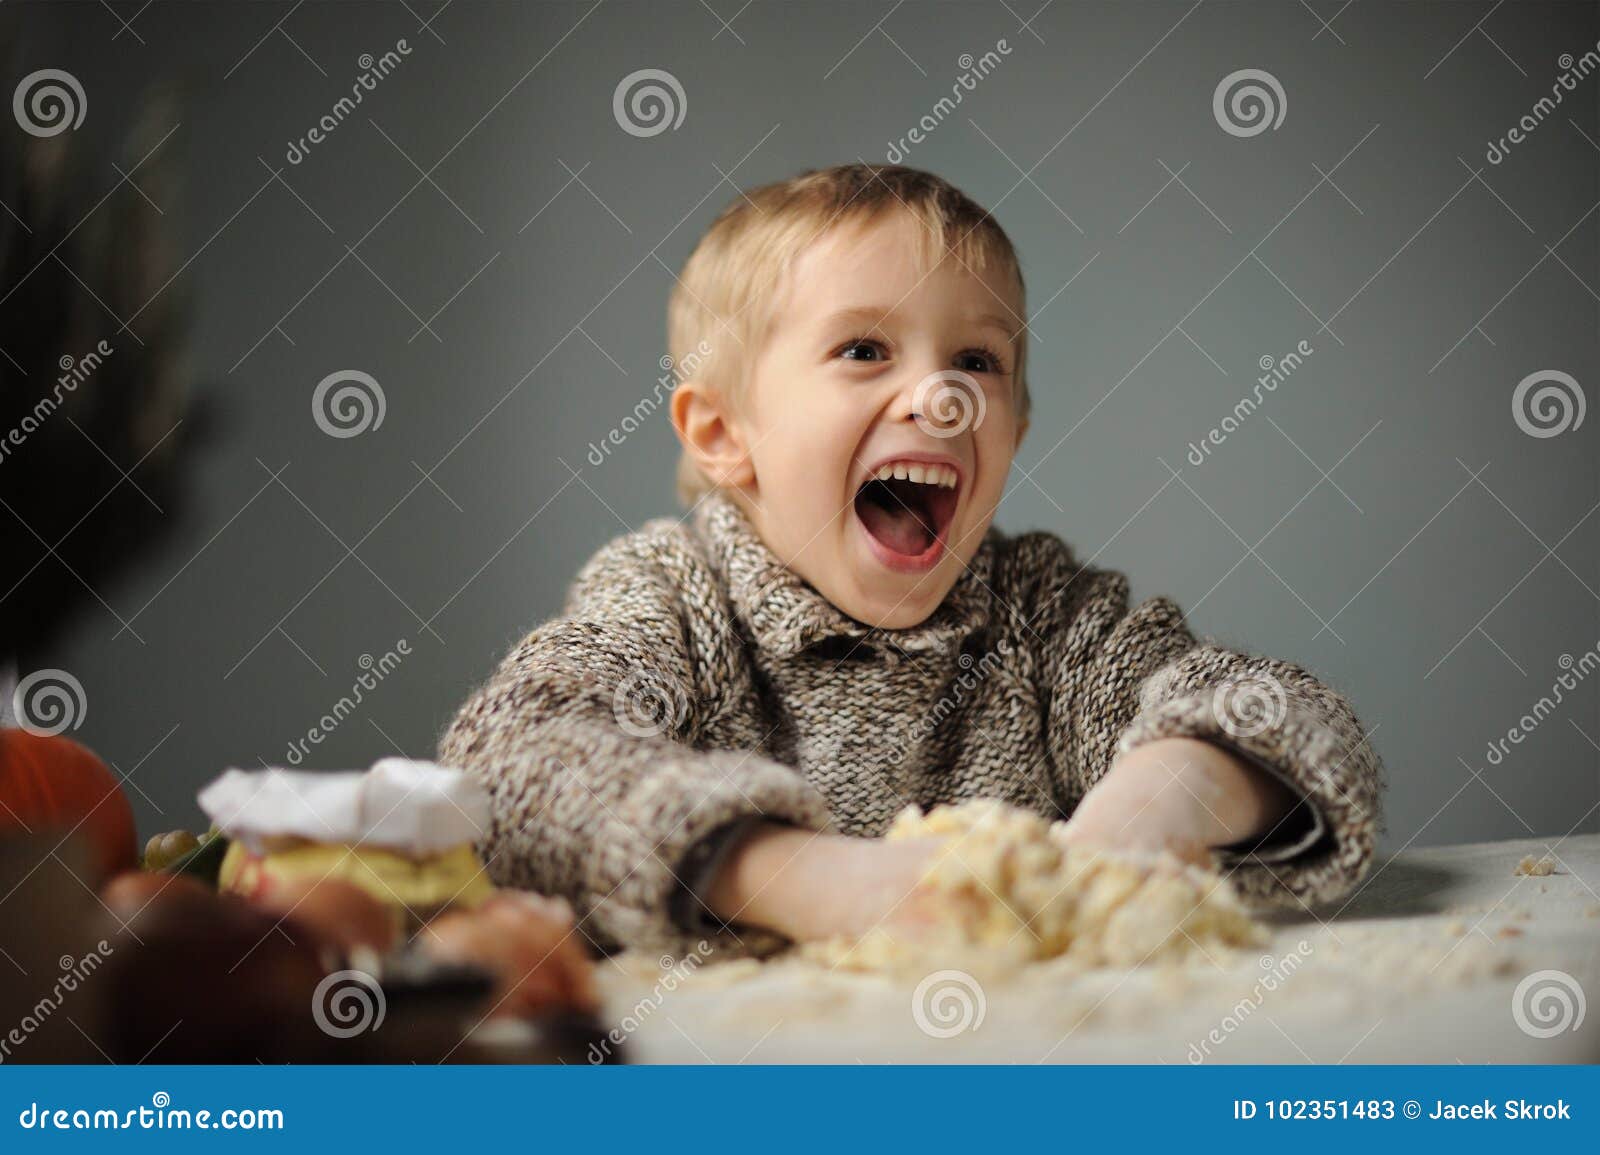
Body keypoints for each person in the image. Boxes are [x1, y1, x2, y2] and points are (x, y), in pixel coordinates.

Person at [438, 163, 1381, 960]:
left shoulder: (1044, 617)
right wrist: (807, 880)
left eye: (978, 360)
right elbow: (515, 760)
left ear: (1015, 425)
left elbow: (1295, 718)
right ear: (725, 432)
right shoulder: (671, 601)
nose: (942, 400)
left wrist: (1160, 801)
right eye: (864, 348)